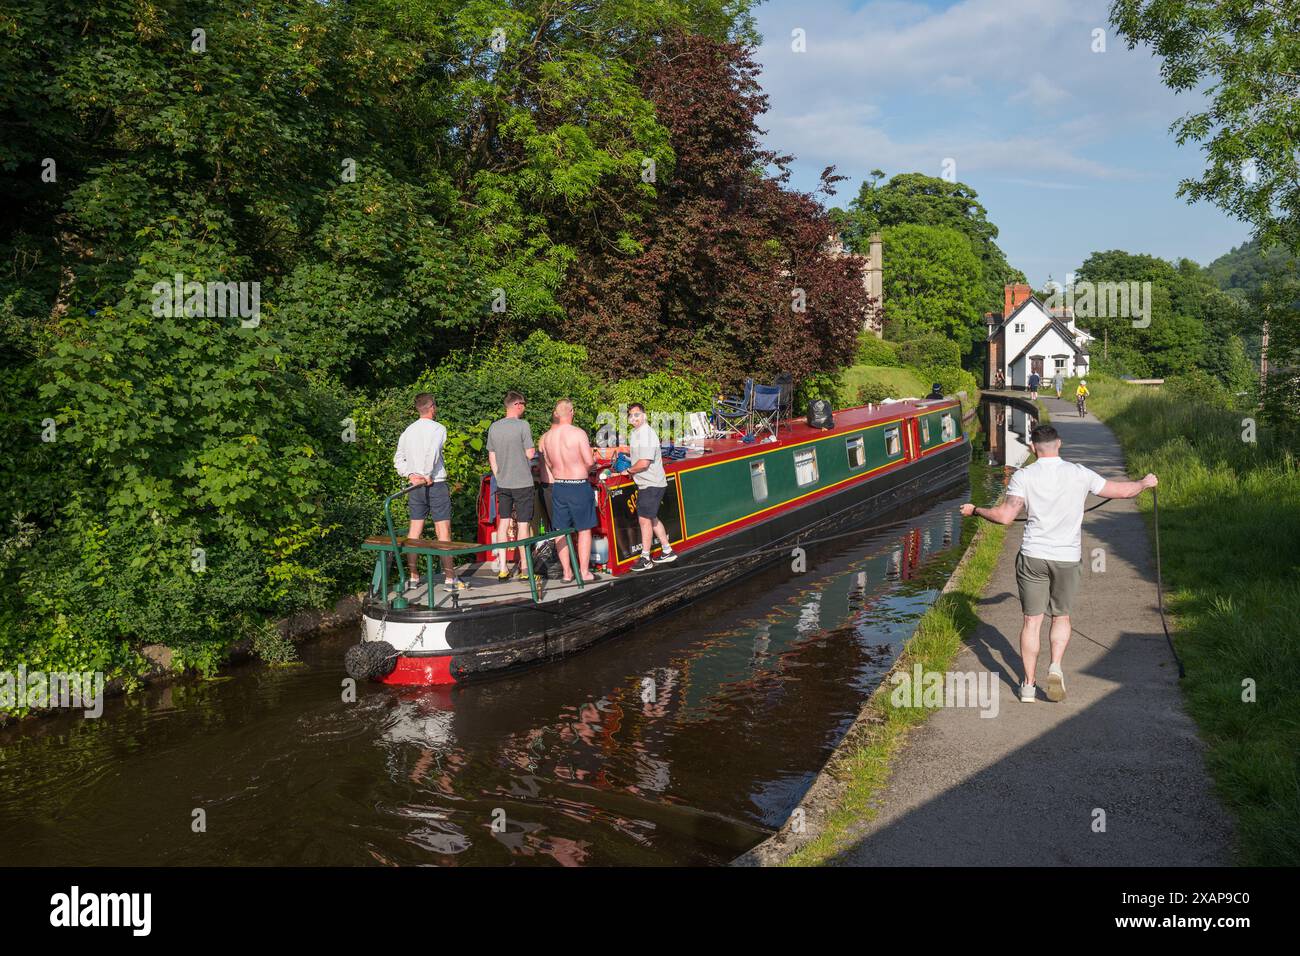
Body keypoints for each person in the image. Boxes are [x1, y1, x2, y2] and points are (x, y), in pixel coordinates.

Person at [960, 424, 1157, 703]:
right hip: (1066, 557)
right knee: (1061, 616)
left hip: (1033, 556)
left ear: (1032, 448)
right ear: (1059, 444)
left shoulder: (1024, 476)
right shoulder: (1079, 473)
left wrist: (976, 510)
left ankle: (1027, 685)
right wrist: (1143, 484)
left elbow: (1005, 516)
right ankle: (1055, 666)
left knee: (1031, 621)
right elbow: (1121, 491)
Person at [393, 393, 466, 591]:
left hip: (414, 485)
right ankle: (450, 579)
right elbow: (432, 453)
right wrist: (425, 475)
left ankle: (414, 576)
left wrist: (410, 475)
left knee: (414, 531)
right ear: (432, 407)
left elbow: (398, 459)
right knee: (443, 531)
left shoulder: (408, 431)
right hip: (435, 483)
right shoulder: (438, 428)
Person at [537, 399, 598, 582]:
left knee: (560, 531)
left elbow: (548, 463)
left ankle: (566, 572)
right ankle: (584, 572)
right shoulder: (578, 433)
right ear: (572, 411)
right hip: (578, 486)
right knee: (584, 529)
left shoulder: (547, 437)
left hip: (559, 486)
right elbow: (589, 462)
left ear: (556, 414)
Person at [486, 390, 536, 582]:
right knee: (523, 524)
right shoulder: (523, 425)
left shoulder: (494, 427)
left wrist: (499, 475)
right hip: (523, 482)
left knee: (503, 523)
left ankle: (503, 568)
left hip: (503, 483)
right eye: (523, 404)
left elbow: (492, 456)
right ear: (516, 405)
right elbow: (530, 454)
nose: (524, 407)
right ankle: (524, 568)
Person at [624, 402, 677, 572]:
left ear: (644, 415)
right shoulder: (636, 433)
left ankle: (645, 557)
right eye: (631, 415)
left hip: (651, 483)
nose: (634, 418)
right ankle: (667, 550)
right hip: (648, 483)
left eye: (637, 414)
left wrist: (628, 470)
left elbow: (644, 463)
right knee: (651, 518)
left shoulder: (646, 434)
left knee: (644, 519)